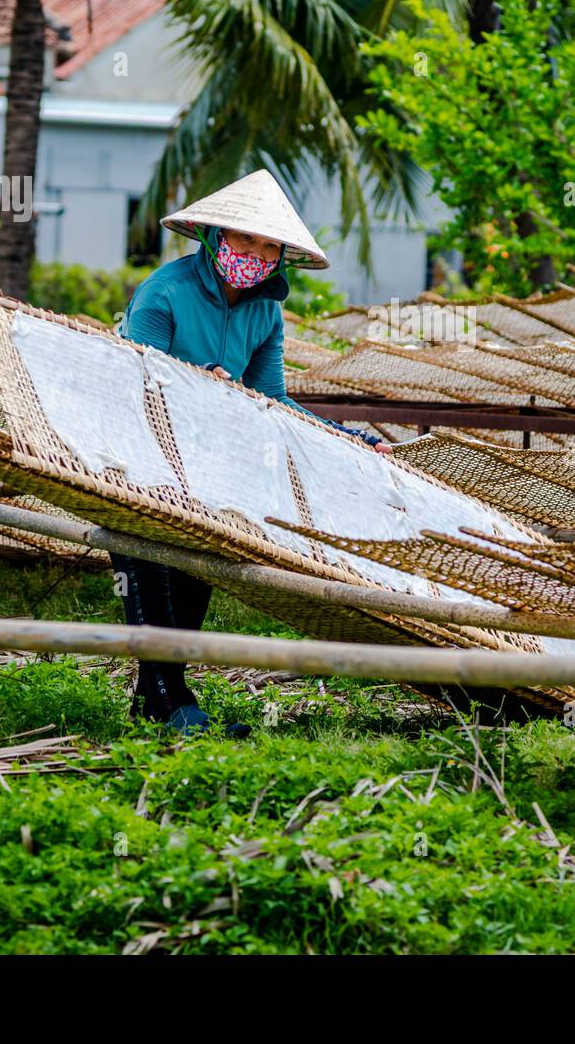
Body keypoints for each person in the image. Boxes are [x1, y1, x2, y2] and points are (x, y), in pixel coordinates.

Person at [113, 169, 391, 736]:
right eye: (245, 240)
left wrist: (349, 436)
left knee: (194, 571)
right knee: (148, 563)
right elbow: (135, 380)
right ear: (216, 237)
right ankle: (175, 703)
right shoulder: (164, 293)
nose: (257, 254)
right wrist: (196, 381)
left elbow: (273, 401)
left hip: (207, 464)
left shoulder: (266, 313)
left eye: (269, 246)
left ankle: (159, 703)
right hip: (137, 455)